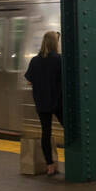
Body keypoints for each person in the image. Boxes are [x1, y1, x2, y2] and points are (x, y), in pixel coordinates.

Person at [24, 30, 64, 176]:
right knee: (70, 129)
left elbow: (29, 80)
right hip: (58, 102)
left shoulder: (35, 60)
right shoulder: (59, 59)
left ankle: (50, 166)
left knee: (45, 132)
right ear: (55, 43)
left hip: (42, 102)